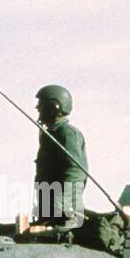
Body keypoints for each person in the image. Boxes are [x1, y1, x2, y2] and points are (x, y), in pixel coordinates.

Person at [33, 84, 88, 228]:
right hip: (50, 211)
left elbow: (75, 171)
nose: (37, 108)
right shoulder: (50, 135)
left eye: (41, 104)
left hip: (64, 213)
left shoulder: (67, 134)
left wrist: (65, 205)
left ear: (53, 106)